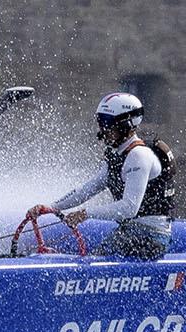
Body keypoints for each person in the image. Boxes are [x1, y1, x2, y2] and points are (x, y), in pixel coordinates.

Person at [26, 91, 175, 259]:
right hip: (128, 231)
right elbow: (85, 191)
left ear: (126, 124)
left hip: (151, 236)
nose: (103, 129)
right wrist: (51, 207)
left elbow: (129, 208)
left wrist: (85, 214)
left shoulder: (139, 156)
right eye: (100, 122)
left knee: (90, 264)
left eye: (107, 122)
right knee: (92, 260)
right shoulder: (117, 155)